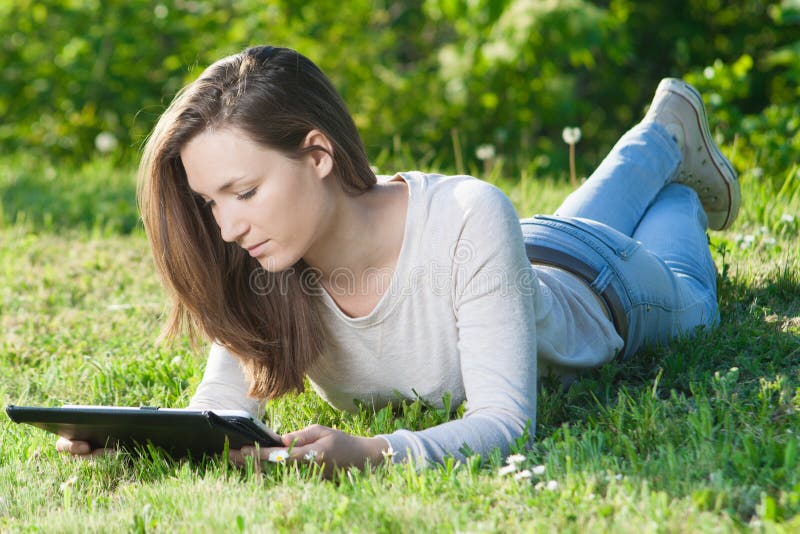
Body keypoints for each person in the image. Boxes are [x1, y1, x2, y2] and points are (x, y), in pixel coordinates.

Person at [57, 45, 740, 474]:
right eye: (210, 202)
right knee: (564, 223)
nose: (228, 226)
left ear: (318, 155)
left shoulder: (470, 212)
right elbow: (223, 407)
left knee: (686, 267)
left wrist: (376, 452)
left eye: (244, 191)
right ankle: (664, 136)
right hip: (515, 259)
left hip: (610, 286)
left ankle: (668, 153)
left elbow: (506, 425)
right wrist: (145, 442)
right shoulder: (266, 257)